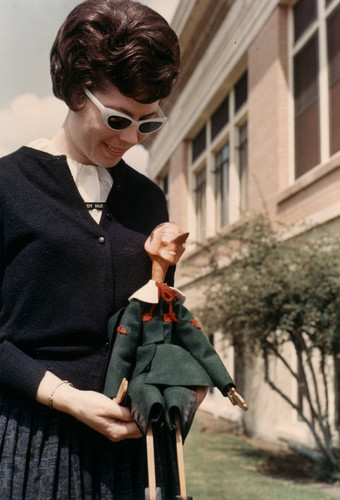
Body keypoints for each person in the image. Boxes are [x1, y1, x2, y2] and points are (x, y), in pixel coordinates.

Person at [0, 1, 198, 498]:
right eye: (117, 119)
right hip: (33, 445)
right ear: (73, 90)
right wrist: (66, 398)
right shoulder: (6, 186)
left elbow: (157, 325)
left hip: (137, 452)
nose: (131, 138)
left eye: (148, 123)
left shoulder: (148, 197)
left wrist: (183, 380)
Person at [104, 223, 247, 442]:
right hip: (145, 370)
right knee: (147, 397)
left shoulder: (175, 304)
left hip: (178, 369)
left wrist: (227, 385)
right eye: (170, 238)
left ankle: (175, 420)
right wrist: (113, 392)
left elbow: (201, 346)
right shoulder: (139, 304)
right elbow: (122, 350)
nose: (177, 247)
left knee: (179, 400)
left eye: (180, 243)